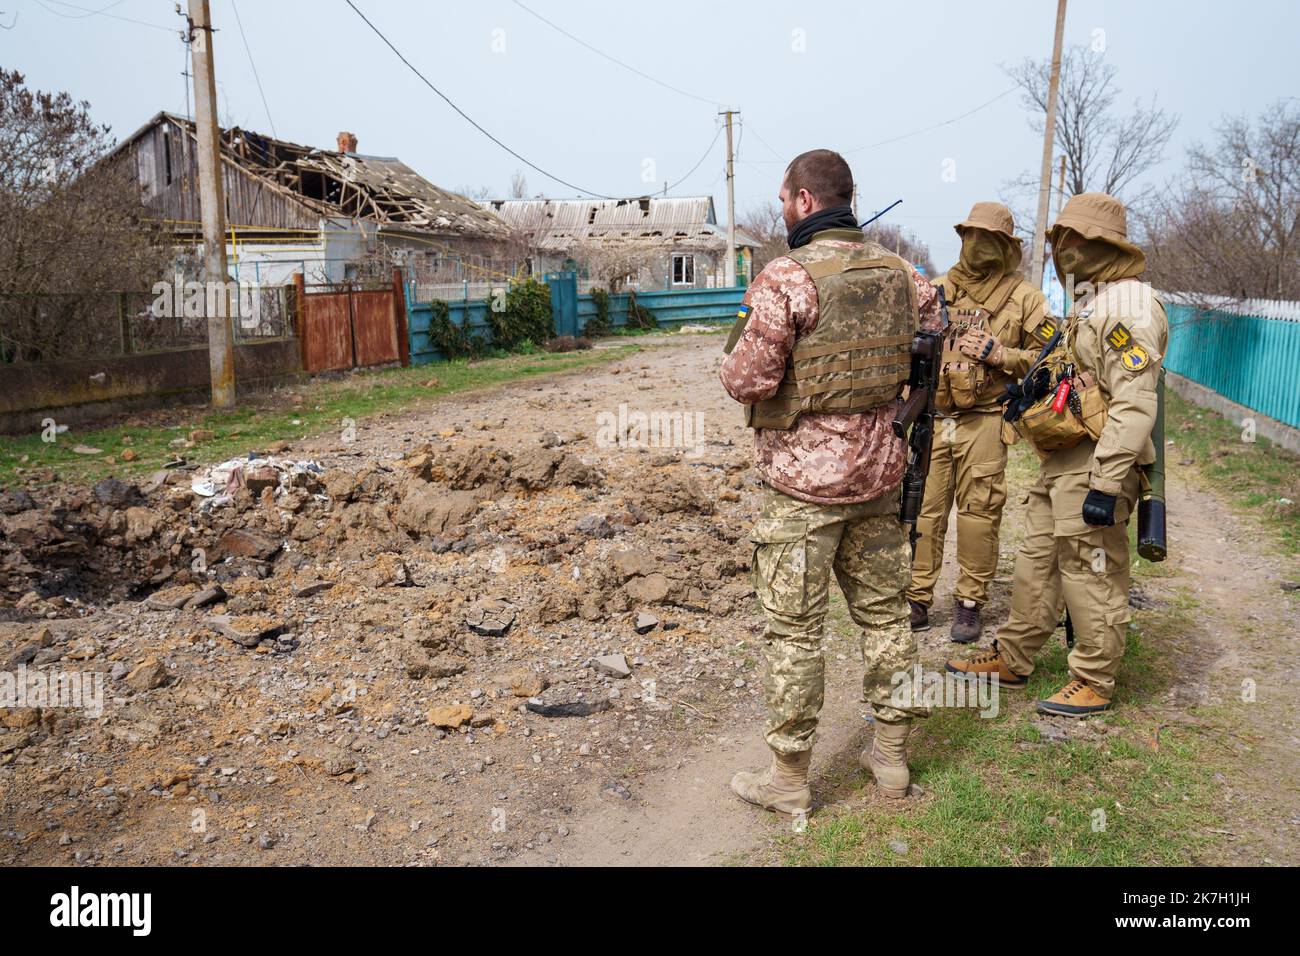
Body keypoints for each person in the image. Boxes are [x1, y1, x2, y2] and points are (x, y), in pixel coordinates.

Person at [719, 148, 939, 814]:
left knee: (794, 635)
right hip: (879, 480)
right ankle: (892, 760)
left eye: (784, 198)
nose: (783, 209)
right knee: (885, 621)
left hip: (802, 491)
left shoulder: (785, 279)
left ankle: (789, 782)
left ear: (805, 201)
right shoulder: (906, 275)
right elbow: (933, 357)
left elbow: (745, 380)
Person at [946, 192, 1167, 717]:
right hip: (1065, 459)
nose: (1062, 250)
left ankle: (1093, 676)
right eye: (1060, 239)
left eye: (1073, 240)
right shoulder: (1096, 301)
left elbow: (1135, 403)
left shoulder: (1130, 307)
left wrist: (1108, 482)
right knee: (1038, 560)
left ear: (1103, 246)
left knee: (1090, 567)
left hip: (1098, 462)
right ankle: (1015, 656)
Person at [905, 202, 1050, 643]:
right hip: (935, 419)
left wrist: (1001, 355)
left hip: (985, 420)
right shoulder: (934, 291)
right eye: (973, 235)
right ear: (962, 237)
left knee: (979, 514)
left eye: (991, 238)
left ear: (1007, 247)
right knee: (924, 511)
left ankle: (969, 602)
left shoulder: (1025, 299)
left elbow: (1052, 362)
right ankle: (917, 597)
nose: (979, 244)